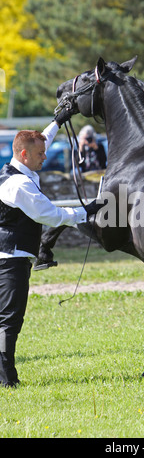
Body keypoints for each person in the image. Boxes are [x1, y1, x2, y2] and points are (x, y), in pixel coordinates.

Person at [0, 108, 101, 387]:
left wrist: (58, 121)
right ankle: (7, 379)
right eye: (40, 155)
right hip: (11, 258)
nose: (45, 157)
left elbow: (39, 139)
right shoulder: (19, 185)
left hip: (10, 254)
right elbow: (50, 215)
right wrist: (86, 211)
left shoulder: (17, 164)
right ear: (24, 156)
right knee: (9, 319)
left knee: (7, 319)